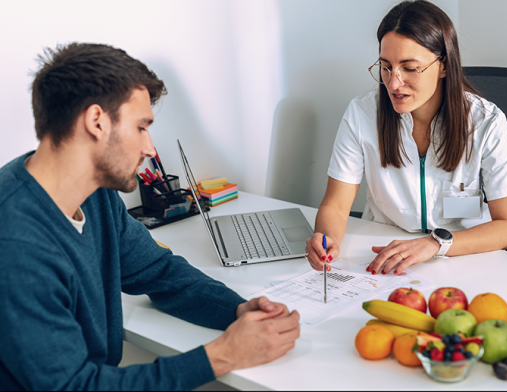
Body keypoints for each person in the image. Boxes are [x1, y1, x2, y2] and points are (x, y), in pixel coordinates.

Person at [0, 43, 300, 390]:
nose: (150, 148)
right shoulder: (16, 242)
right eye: (141, 127)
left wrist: (236, 310)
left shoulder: (95, 195)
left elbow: (158, 271)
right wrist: (223, 355)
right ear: (96, 121)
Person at [305, 0, 507, 275]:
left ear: (444, 65)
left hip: (466, 256)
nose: (393, 83)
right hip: (383, 252)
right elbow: (335, 206)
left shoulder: (486, 122)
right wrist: (327, 239)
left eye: (409, 68)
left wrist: (434, 244)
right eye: (386, 67)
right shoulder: (361, 115)